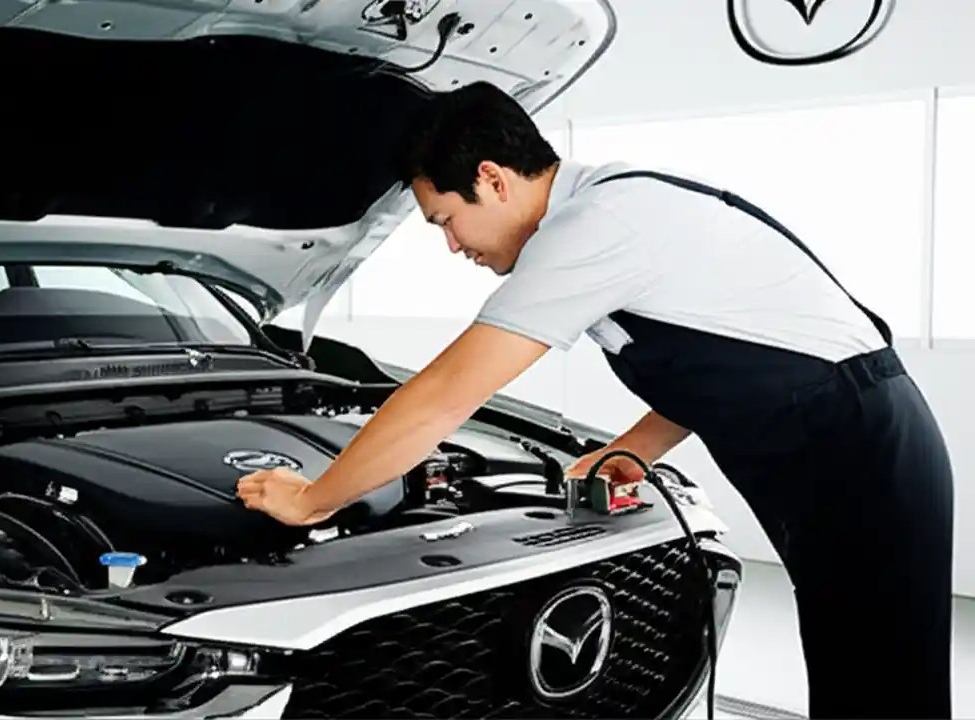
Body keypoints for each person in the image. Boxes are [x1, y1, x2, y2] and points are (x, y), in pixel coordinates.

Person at [235, 81, 954, 719]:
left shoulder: (594, 226)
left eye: (444, 220)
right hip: (848, 445)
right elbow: (723, 359)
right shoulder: (610, 207)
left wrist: (316, 499)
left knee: (882, 690)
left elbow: (444, 395)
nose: (453, 246)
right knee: (859, 673)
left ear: (491, 179)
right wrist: (631, 451)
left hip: (859, 451)